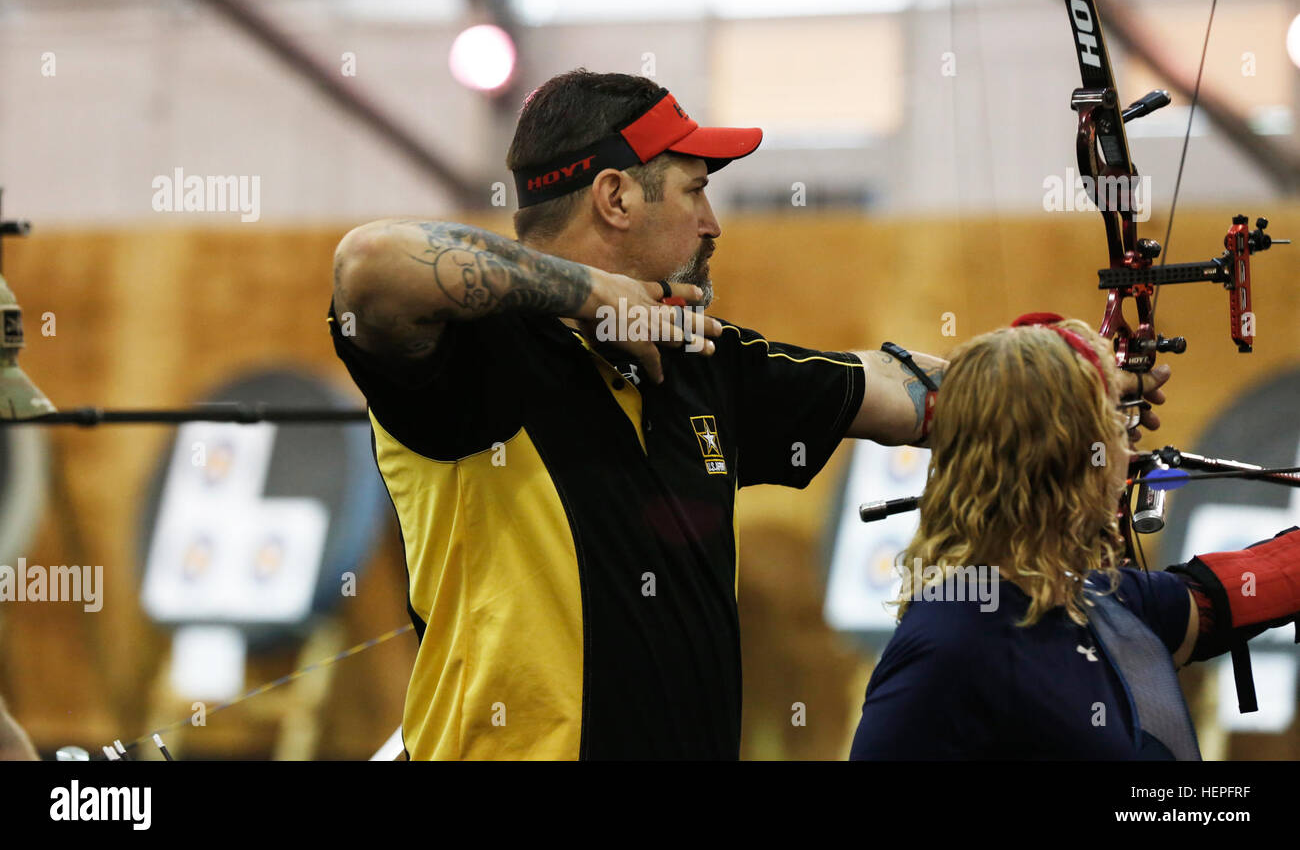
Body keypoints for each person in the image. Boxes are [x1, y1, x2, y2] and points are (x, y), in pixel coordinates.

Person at [327, 69, 948, 759]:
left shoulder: (703, 359)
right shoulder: (480, 356)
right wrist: (595, 295)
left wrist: (1052, 378)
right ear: (615, 197)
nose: (712, 224)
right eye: (695, 189)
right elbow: (370, 263)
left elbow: (895, 384)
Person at [849, 314, 1300, 760]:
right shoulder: (949, 643)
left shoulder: (1107, 605)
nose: (1129, 454)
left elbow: (1251, 586)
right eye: (1112, 430)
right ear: (1065, 458)